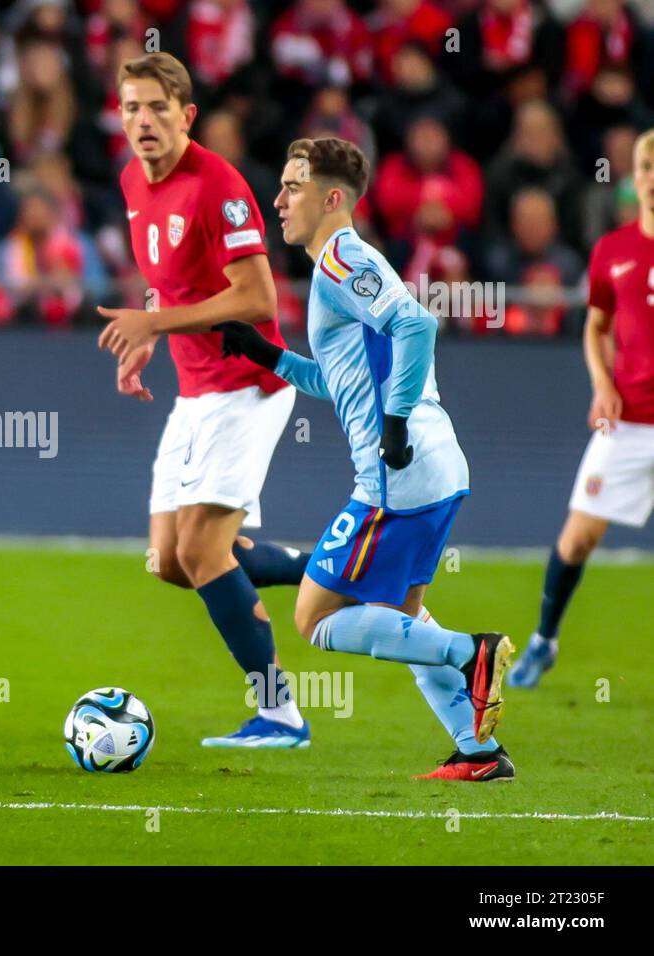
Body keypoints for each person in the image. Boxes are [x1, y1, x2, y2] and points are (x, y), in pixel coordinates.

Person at [217, 137, 517, 780]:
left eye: (292, 186)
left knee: (315, 616)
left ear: (332, 198)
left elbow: (418, 326)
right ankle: (479, 752)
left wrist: (396, 423)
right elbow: (340, 380)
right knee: (400, 618)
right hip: (435, 469)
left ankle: (473, 654)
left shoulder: (342, 260)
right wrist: (266, 355)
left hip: (397, 474)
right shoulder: (339, 265)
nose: (278, 199)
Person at [96, 52, 311, 749]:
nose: (143, 121)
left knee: (202, 548)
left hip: (248, 386)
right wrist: (151, 336)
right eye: (131, 107)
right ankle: (325, 568)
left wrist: (152, 322)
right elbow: (177, 286)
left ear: (187, 115)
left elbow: (256, 298)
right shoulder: (134, 179)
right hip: (195, 390)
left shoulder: (217, 185)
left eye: (158, 107)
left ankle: (280, 712)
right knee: (169, 560)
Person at [509, 129, 654, 688]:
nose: (652, 175)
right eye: (645, 166)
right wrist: (602, 383)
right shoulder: (613, 252)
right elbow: (596, 329)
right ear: (634, 177)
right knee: (576, 539)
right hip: (628, 421)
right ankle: (544, 640)